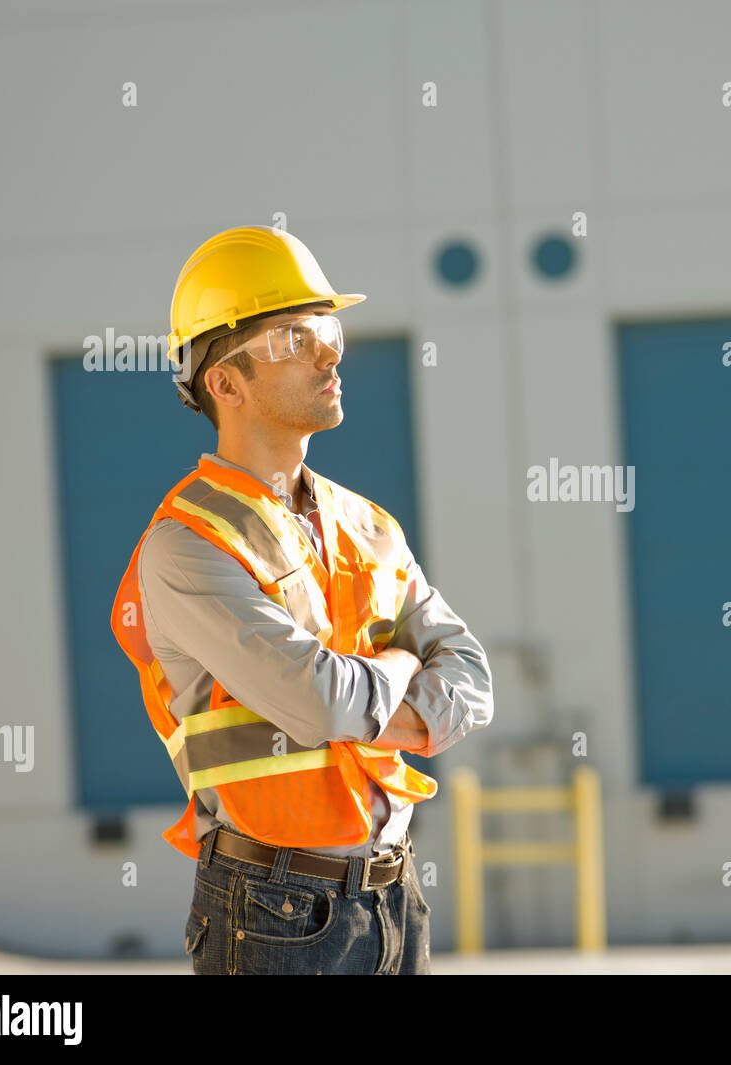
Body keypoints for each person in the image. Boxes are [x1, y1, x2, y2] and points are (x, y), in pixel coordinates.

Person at [110, 225, 493, 974]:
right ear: (225, 382)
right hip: (272, 910)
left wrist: (375, 703)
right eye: (293, 336)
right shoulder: (188, 546)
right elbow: (318, 704)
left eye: (327, 328)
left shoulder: (368, 523)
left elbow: (473, 677)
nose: (329, 352)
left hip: (394, 896)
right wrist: (402, 670)